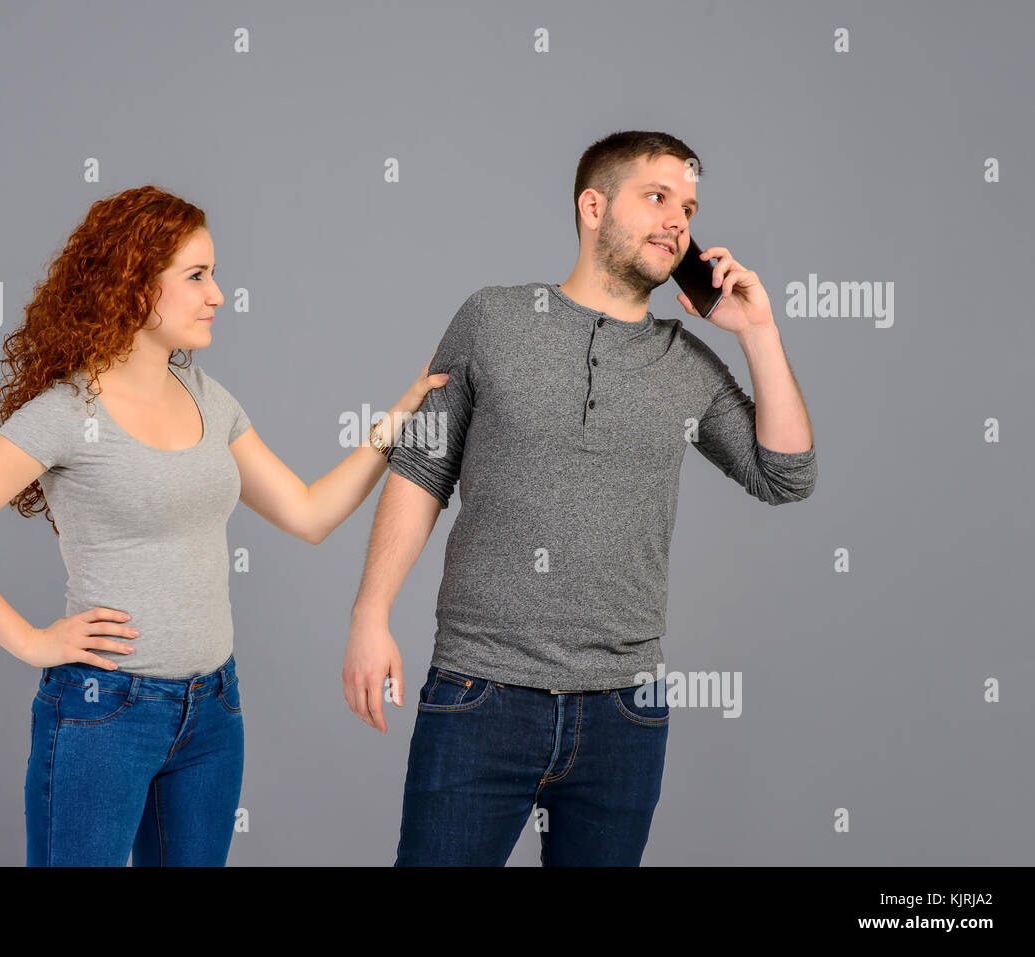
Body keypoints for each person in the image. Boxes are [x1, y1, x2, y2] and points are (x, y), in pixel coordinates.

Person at [0, 185, 447, 866]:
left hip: (214, 711)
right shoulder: (68, 411)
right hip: (106, 713)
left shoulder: (209, 399)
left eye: (213, 274)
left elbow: (309, 514)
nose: (217, 294)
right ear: (134, 284)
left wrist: (398, 419)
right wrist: (30, 640)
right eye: (196, 276)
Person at [342, 130, 819, 866]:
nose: (677, 223)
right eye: (657, 197)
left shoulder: (685, 363)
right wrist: (370, 615)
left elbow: (785, 474)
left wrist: (757, 329)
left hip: (624, 713)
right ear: (593, 206)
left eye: (688, 209)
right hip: (479, 693)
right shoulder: (492, 319)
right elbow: (421, 469)